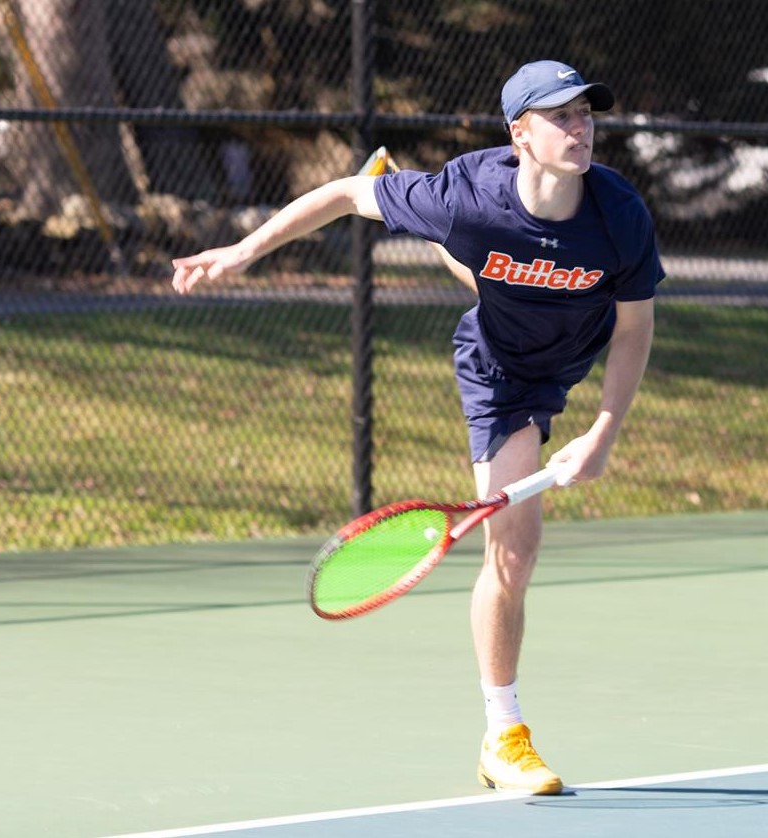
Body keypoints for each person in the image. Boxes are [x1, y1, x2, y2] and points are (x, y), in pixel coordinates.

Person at [170, 59, 664, 795]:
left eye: (585, 114)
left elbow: (634, 330)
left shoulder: (617, 214)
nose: (579, 127)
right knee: (514, 551)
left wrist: (604, 428)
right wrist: (243, 252)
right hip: (501, 371)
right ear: (519, 134)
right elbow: (340, 194)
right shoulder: (467, 194)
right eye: (559, 116)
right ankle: (504, 736)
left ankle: (428, 227)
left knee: (486, 266)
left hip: (566, 341)